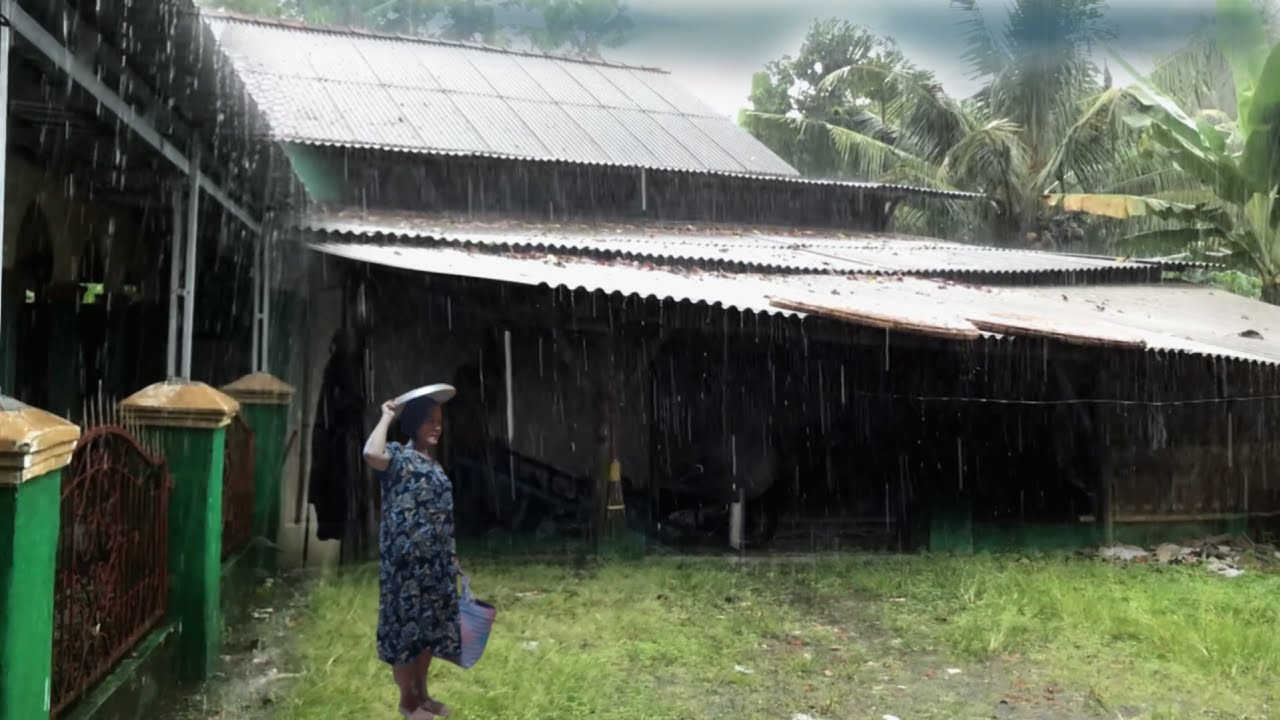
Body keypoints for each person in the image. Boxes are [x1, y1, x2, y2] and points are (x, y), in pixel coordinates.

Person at [363, 392, 463, 720]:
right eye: (429, 421)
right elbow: (370, 452)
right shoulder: (398, 457)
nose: (436, 427)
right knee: (406, 634)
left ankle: (423, 694)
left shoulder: (433, 463)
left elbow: (439, 516)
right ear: (413, 424)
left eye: (440, 421)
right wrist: (386, 416)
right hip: (405, 567)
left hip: (436, 564)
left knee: (428, 634)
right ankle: (408, 702)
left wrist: (451, 558)